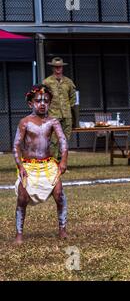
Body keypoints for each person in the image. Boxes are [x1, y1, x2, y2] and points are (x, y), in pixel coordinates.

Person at [13, 84, 68, 244]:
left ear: (50, 103)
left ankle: (62, 229)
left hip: (48, 165)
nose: (42, 104)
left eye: (46, 101)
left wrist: (63, 161)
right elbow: (16, 145)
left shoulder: (53, 121)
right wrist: (20, 166)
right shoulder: (25, 122)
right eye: (38, 101)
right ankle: (19, 234)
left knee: (59, 194)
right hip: (29, 165)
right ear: (31, 103)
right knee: (22, 197)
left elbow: (63, 141)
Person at [43, 57, 76, 159]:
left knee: (65, 140)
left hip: (66, 116)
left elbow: (73, 97)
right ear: (52, 68)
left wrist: (68, 108)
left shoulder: (68, 82)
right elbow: (43, 98)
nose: (58, 69)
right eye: (56, 67)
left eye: (60, 67)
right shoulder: (46, 82)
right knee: (54, 140)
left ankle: (62, 163)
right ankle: (53, 164)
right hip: (53, 116)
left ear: (62, 68)